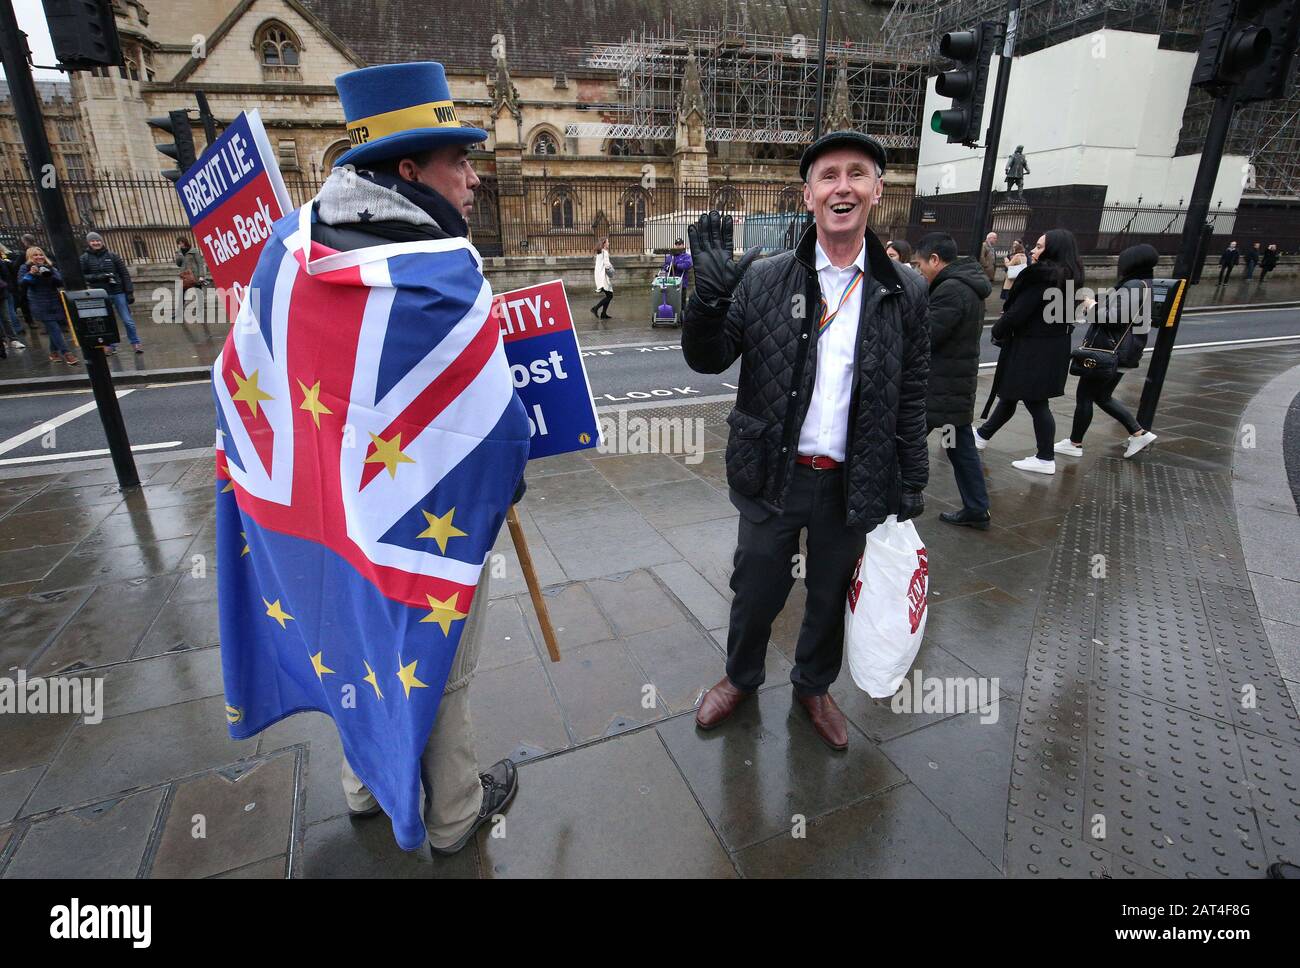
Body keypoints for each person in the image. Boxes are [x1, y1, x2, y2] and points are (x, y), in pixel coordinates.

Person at [234, 60, 521, 855]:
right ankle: (456, 811)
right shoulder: (441, 273)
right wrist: (507, 483)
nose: (471, 178)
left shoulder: (284, 253)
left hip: (321, 521)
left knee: (353, 642)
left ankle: (363, 785)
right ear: (408, 170)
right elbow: (496, 434)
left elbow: (244, 374)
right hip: (419, 524)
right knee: (441, 658)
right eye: (457, 161)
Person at [683, 130, 929, 751]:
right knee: (757, 585)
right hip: (774, 470)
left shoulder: (905, 290)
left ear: (877, 189)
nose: (841, 187)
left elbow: (913, 392)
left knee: (828, 593)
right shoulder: (765, 279)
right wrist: (707, 305)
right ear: (809, 194)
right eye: (827, 176)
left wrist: (912, 477)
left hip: (855, 475)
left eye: (856, 174)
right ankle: (740, 677)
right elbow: (707, 359)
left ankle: (813, 688)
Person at [975, 228, 1082, 475]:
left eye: (1040, 246)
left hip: (1032, 347)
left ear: (1054, 250)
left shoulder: (1042, 276)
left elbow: (1019, 312)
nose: (1034, 250)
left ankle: (1045, 457)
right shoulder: (1069, 276)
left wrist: (998, 330)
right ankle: (982, 435)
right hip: (1053, 346)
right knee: (1012, 393)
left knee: (1035, 402)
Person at [913, 231, 992, 528]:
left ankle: (887, 502)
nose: (920, 272)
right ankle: (977, 507)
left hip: (940, 388)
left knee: (904, 442)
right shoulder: (968, 286)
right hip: (955, 387)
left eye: (920, 266)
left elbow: (927, 336)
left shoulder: (951, 290)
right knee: (961, 450)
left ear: (935, 259)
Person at [1055, 243, 1159, 461]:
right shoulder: (1144, 284)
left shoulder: (1133, 285)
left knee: (1085, 396)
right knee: (1102, 397)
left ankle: (1075, 444)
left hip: (1110, 353)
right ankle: (1138, 433)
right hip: (1120, 353)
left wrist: (1092, 306)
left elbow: (1114, 318)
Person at [80, 231, 141, 353]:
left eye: (98, 240)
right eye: (93, 241)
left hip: (118, 291)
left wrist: (129, 292)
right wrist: (98, 277)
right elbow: (82, 275)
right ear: (88, 243)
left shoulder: (113, 256)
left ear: (102, 241)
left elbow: (124, 274)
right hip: (99, 293)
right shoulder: (84, 258)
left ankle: (135, 342)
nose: (96, 243)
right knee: (106, 321)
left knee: (127, 320)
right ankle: (110, 345)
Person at [20, 247, 77, 365]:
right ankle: (67, 353)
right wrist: (31, 274)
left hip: (53, 302)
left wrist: (49, 274)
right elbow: (22, 284)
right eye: (35, 255)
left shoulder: (50, 267)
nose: (39, 257)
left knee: (53, 329)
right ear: (30, 257)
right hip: (39, 303)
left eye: (40, 255)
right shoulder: (25, 268)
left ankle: (53, 352)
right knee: (55, 328)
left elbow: (60, 281)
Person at [175, 235, 208, 321]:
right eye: (178, 243)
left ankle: (200, 313)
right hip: (186, 276)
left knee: (199, 294)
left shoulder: (194, 251)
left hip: (195, 276)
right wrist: (178, 257)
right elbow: (178, 264)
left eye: (181, 242)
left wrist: (201, 276)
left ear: (185, 242)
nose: (180, 244)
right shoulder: (179, 252)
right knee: (181, 294)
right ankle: (178, 314)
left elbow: (200, 263)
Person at [0, 243, 27, 348]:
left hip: (2, 293)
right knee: (7, 316)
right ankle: (4, 340)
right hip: (5, 290)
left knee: (6, 317)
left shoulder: (3, 261)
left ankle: (12, 339)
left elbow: (6, 274)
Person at [591, 237, 614, 319]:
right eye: (608, 242)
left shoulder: (600, 252)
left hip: (599, 276)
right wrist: (612, 269)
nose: (609, 243)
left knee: (609, 295)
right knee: (610, 296)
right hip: (603, 277)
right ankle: (595, 308)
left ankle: (603, 314)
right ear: (604, 244)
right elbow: (607, 265)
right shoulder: (605, 252)